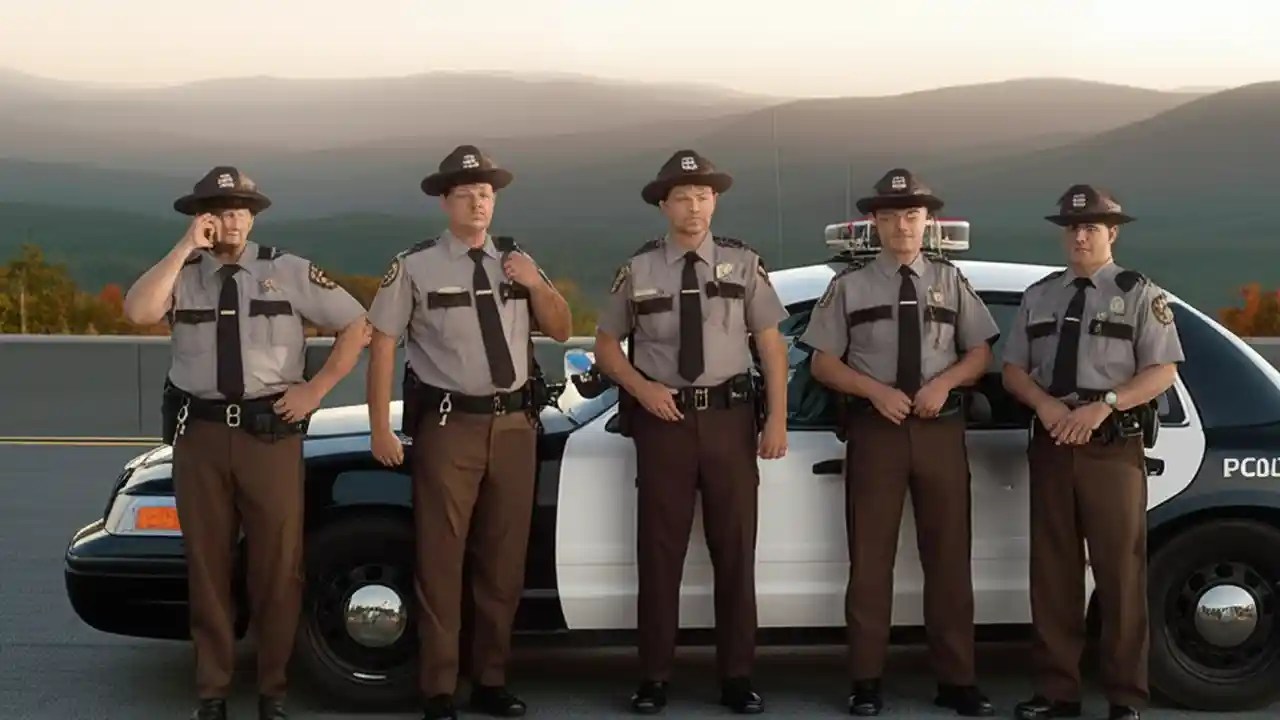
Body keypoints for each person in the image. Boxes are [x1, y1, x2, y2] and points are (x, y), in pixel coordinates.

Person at [121, 166, 369, 720]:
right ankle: (212, 691)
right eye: (218, 211)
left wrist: (316, 389)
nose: (231, 220)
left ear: (253, 216)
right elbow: (138, 311)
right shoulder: (182, 274)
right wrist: (185, 246)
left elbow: (357, 324)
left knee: (278, 567)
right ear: (201, 218)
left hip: (269, 435)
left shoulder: (289, 270)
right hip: (201, 436)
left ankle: (273, 690)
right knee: (207, 566)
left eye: (240, 210)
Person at [366, 145, 573, 720]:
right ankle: (438, 688)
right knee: (441, 559)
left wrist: (534, 284)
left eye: (485, 193)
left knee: (502, 561)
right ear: (444, 201)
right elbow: (383, 342)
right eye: (466, 194)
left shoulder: (517, 259)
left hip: (513, 427)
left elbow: (560, 329)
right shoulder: (416, 266)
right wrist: (381, 425)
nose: (478, 202)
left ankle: (491, 679)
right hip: (449, 428)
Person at [594, 149, 790, 715]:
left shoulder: (743, 263)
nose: (694, 206)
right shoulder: (638, 271)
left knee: (735, 551)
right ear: (663, 205)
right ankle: (654, 676)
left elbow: (772, 348)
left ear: (715, 202)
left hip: (730, 420)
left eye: (703, 196)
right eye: (683, 197)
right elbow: (606, 347)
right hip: (664, 423)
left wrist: (775, 419)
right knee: (659, 553)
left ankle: (737, 677)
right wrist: (642, 388)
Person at [801, 169, 1000, 717]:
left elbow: (980, 353)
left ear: (926, 221)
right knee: (869, 562)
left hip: (940, 429)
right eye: (890, 217)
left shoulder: (950, 281)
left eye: (911, 216)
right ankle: (865, 680)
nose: (902, 226)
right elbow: (822, 362)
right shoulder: (850, 287)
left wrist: (943, 383)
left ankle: (957, 680)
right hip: (876, 430)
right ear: (876, 223)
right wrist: (874, 391)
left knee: (949, 560)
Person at [1003, 185, 1183, 720]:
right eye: (1072, 227)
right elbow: (1013, 369)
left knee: (1120, 576)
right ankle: (1057, 692)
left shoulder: (1140, 294)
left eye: (1092, 227)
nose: (1080, 235)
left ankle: (1126, 696)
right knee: (1052, 573)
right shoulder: (1041, 295)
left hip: (1111, 448)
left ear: (1112, 233)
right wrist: (1046, 407)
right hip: (1053, 444)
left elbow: (1163, 371)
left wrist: (1103, 405)